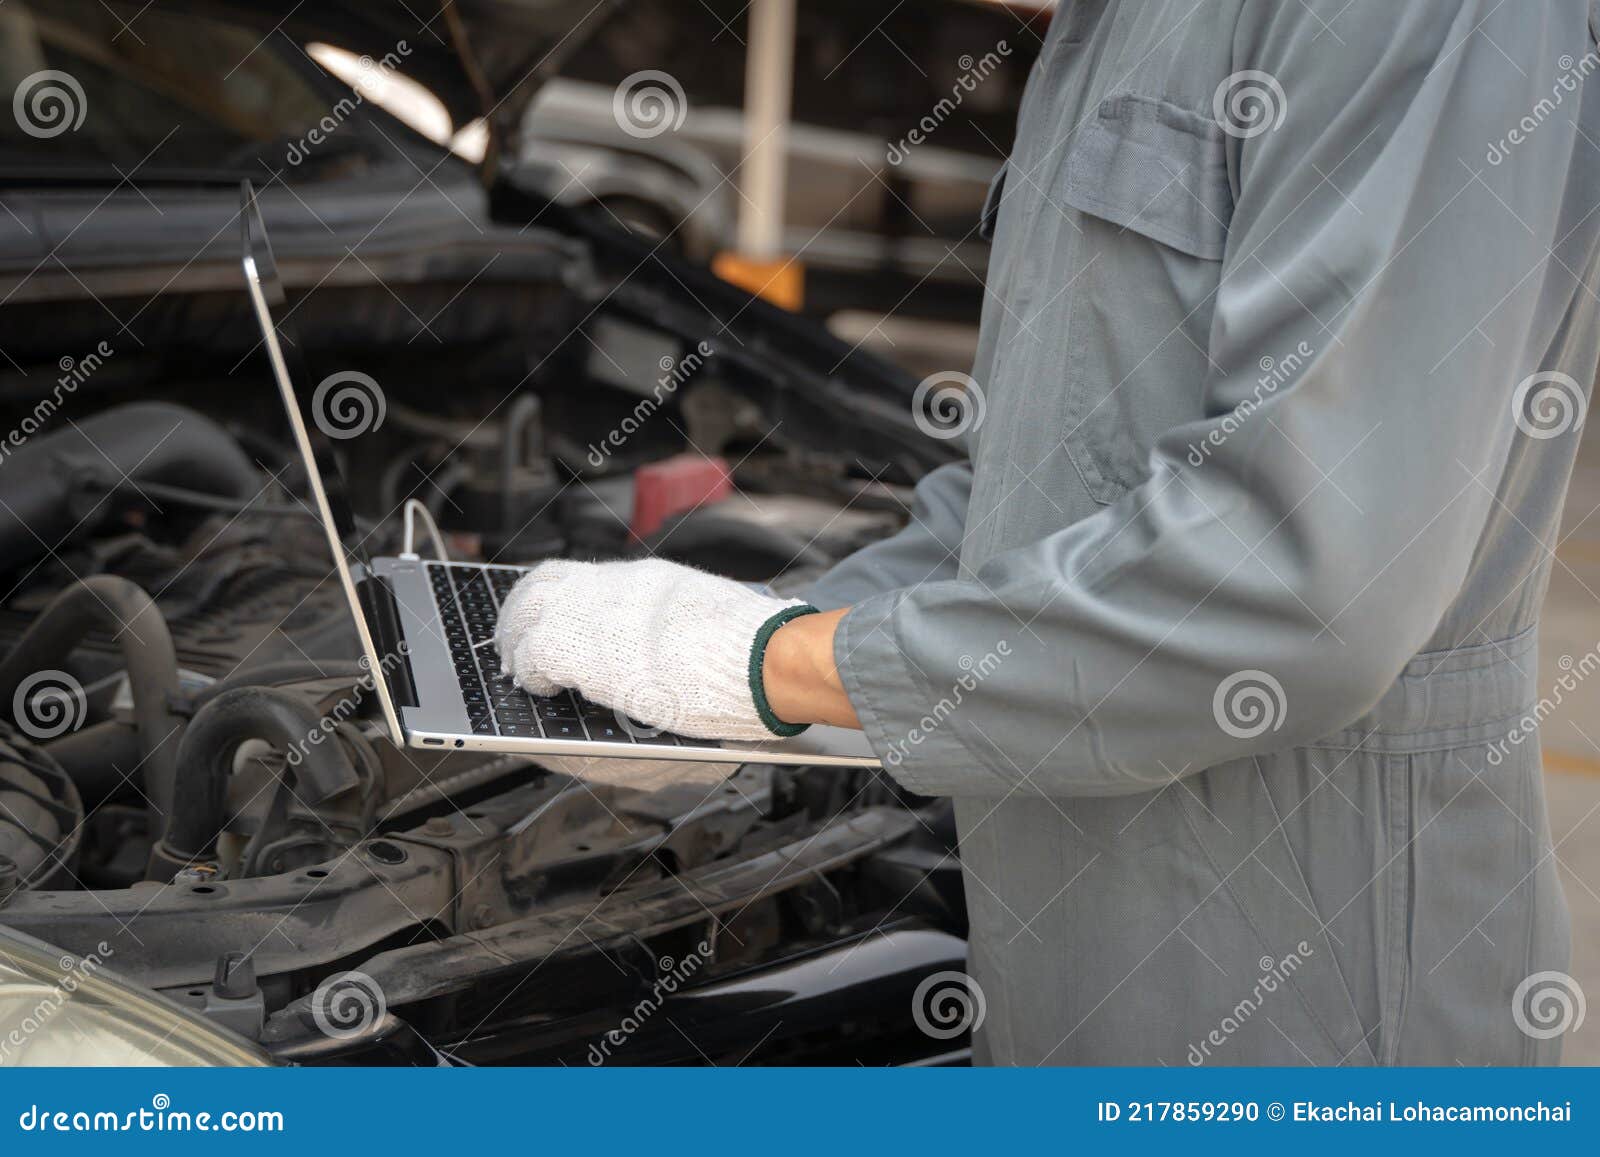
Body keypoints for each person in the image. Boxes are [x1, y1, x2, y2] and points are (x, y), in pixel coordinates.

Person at [497, 0, 1600, 1065]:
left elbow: (1301, 582)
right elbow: (1032, 498)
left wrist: (775, 669)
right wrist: (715, 652)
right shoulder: (1100, 29)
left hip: (1312, 988)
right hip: (1060, 970)